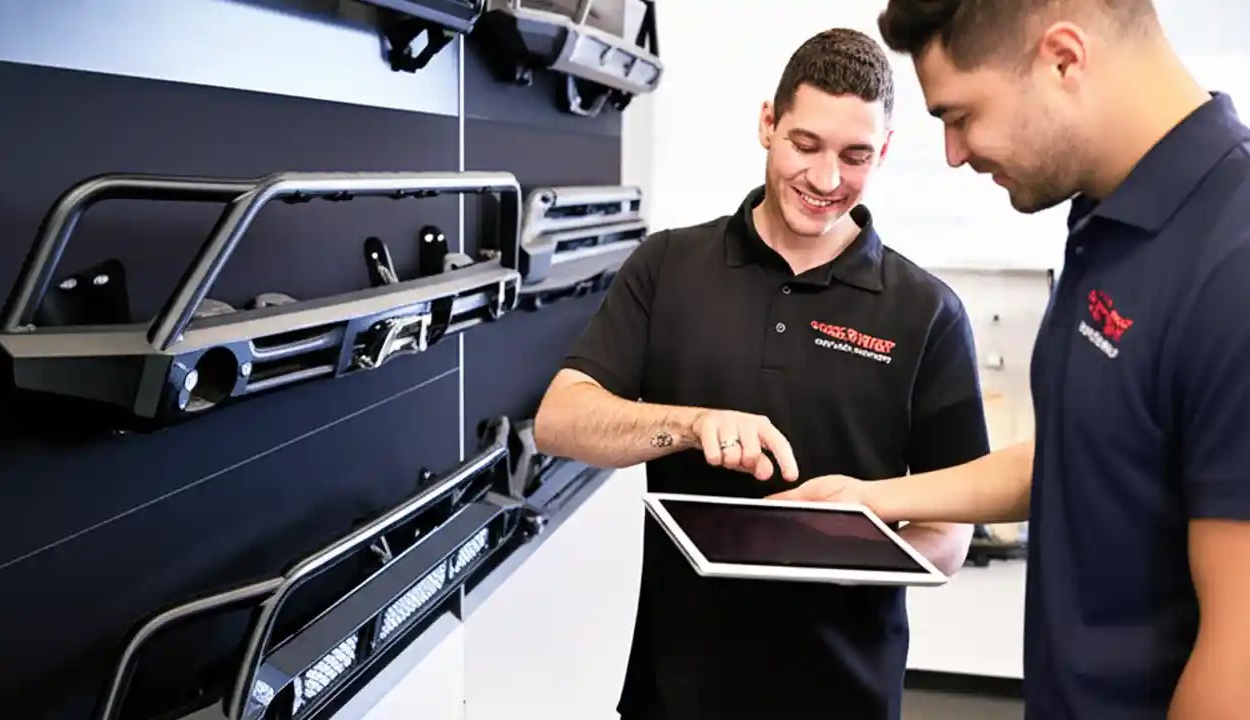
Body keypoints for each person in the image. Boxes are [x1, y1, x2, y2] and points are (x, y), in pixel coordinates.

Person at [773, 2, 1250, 719]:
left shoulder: (1233, 261)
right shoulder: (1108, 219)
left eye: (961, 116)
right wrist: (873, 499)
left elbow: (1239, 664)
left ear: (1063, 59)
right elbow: (1085, 448)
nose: (954, 153)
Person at [533, 28, 991, 720]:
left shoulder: (928, 312)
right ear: (768, 124)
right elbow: (560, 421)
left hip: (844, 699)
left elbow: (948, 539)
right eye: (806, 145)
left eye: (856, 156)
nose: (827, 181)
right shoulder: (668, 266)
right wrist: (692, 424)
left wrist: (828, 544)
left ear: (884, 151)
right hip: (675, 695)